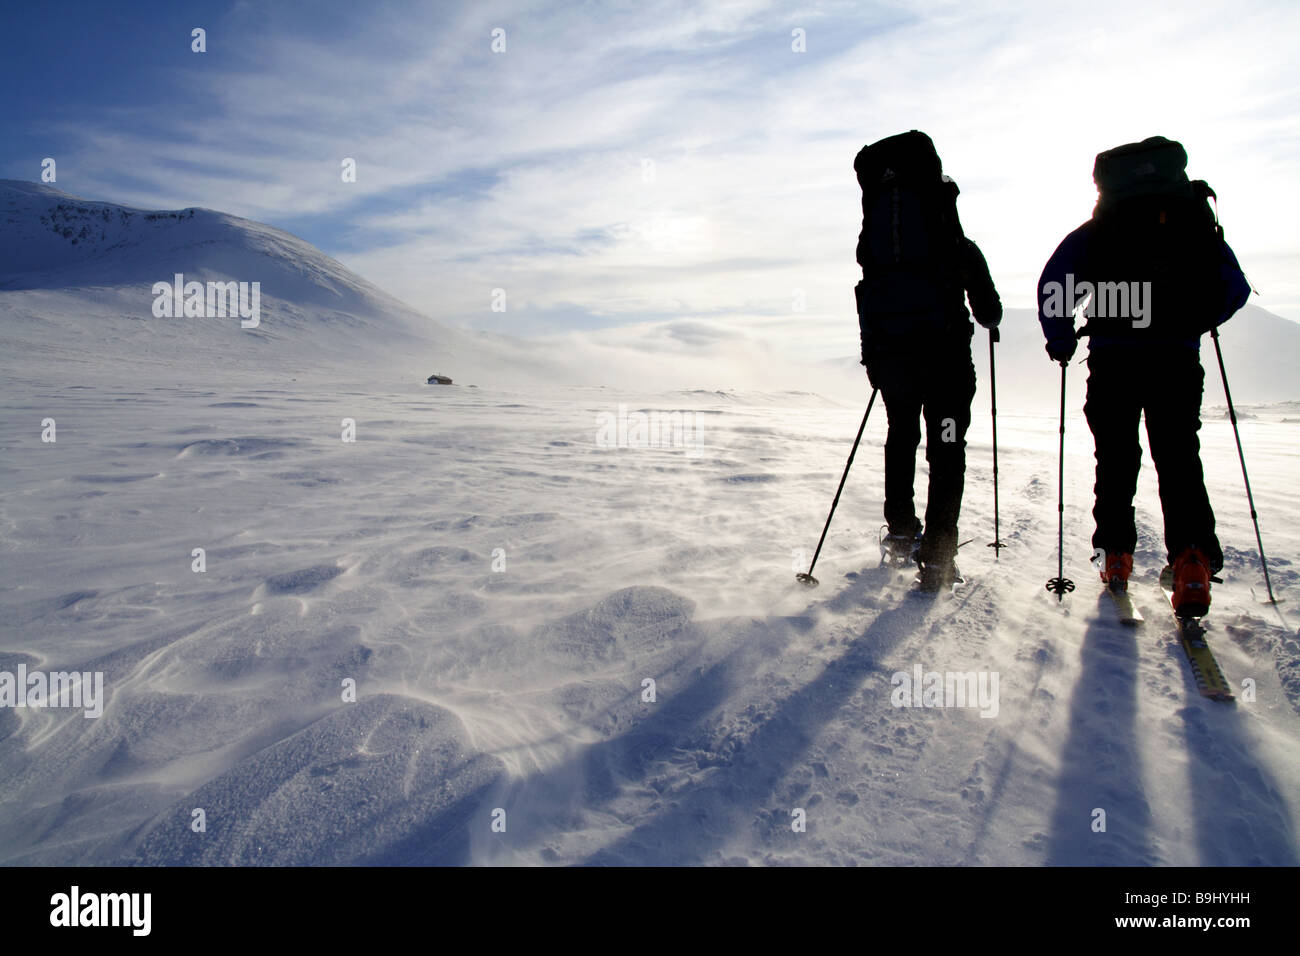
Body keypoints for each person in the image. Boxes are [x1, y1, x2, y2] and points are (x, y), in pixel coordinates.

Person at [1036, 136, 1251, 616]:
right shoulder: (1193, 220)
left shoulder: (1096, 231)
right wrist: (1196, 319)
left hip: (1113, 359)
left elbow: (1055, 286)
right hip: (1175, 358)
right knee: (1178, 457)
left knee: (1115, 457)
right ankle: (1192, 563)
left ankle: (1116, 557)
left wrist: (1062, 339)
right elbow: (1234, 288)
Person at [854, 130, 1002, 591]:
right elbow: (988, 307)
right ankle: (938, 556)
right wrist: (988, 314)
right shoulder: (951, 239)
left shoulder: (879, 242)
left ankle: (901, 534)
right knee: (946, 450)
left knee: (901, 439)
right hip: (946, 364)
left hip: (894, 362)